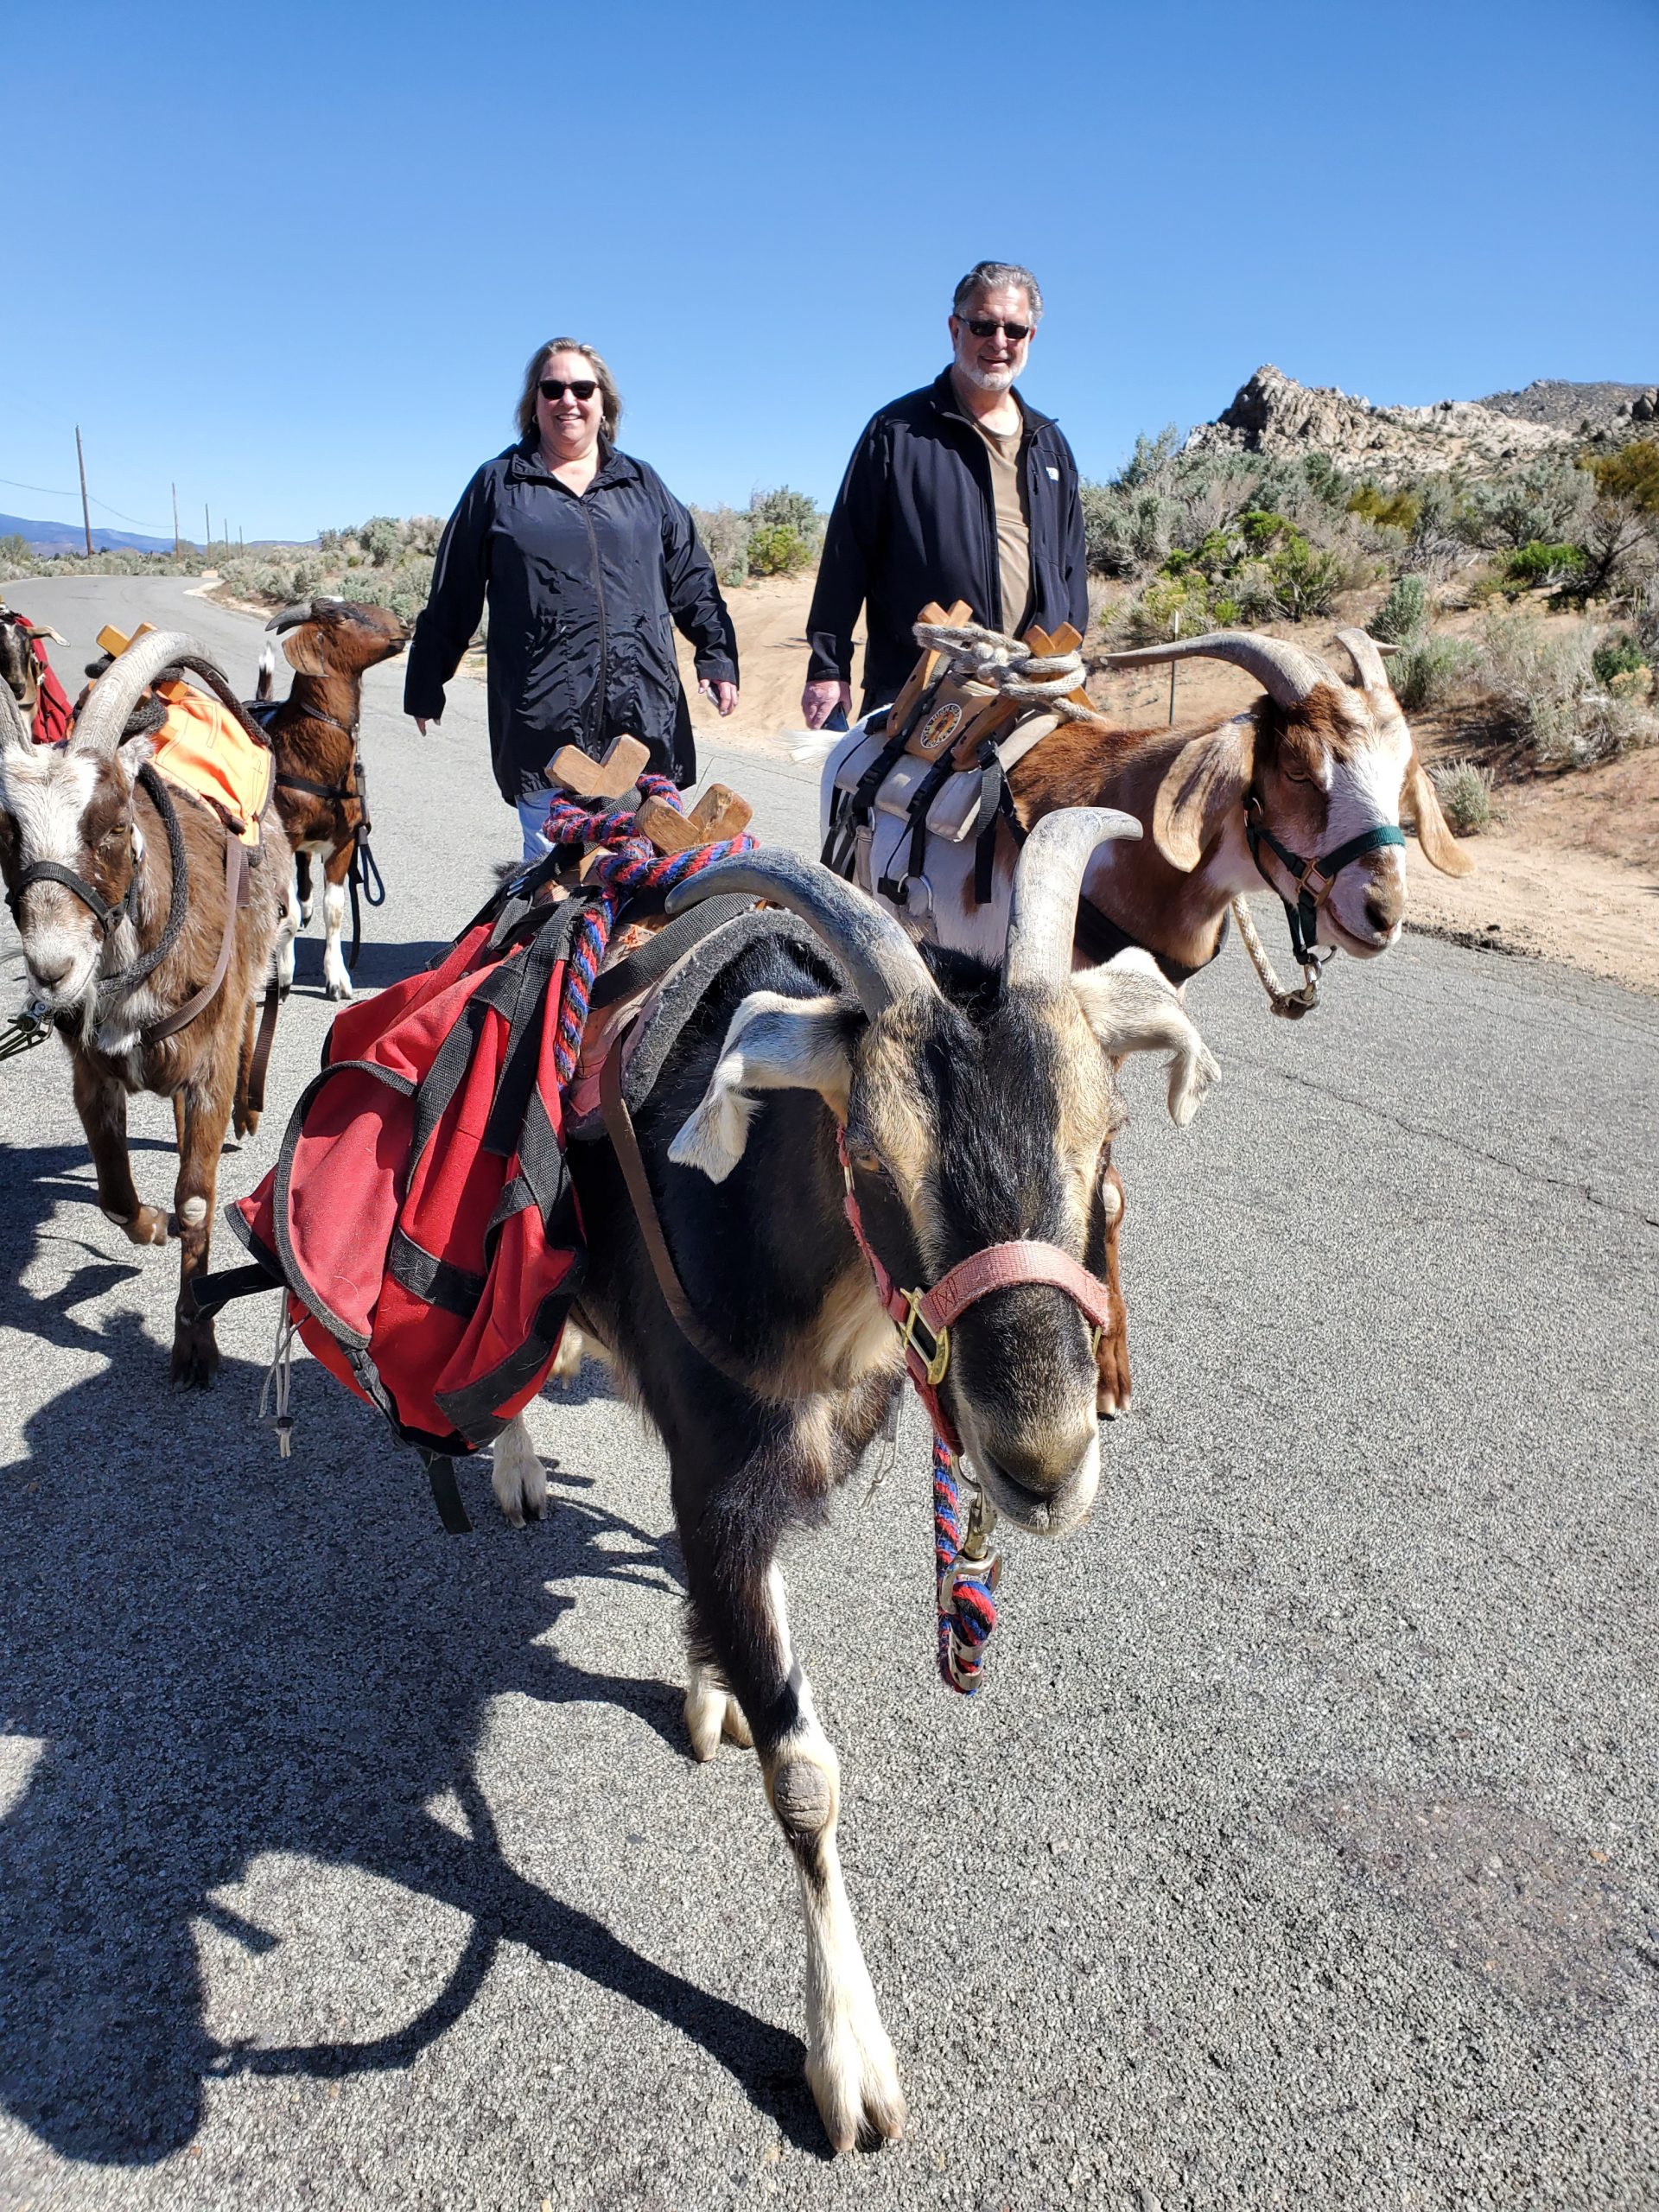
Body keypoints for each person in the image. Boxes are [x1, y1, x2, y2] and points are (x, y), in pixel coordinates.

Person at [405, 338, 739, 857]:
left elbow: (692, 577)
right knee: (555, 892)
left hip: (644, 715)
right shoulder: (499, 485)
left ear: (604, 403)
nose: (568, 400)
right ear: (533, 404)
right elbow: (454, 592)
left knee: (648, 888)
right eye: (553, 388)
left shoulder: (642, 483)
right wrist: (427, 679)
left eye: (582, 388)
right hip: (545, 725)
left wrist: (716, 653)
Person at [801, 261, 1088, 729]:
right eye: (983, 325)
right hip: (923, 684)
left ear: (1030, 338)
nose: (999, 342)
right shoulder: (897, 431)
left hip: (1028, 691)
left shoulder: (1051, 446)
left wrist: (1065, 659)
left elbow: (1072, 566)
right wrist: (828, 669)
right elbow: (846, 556)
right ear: (955, 329)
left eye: (1014, 329)